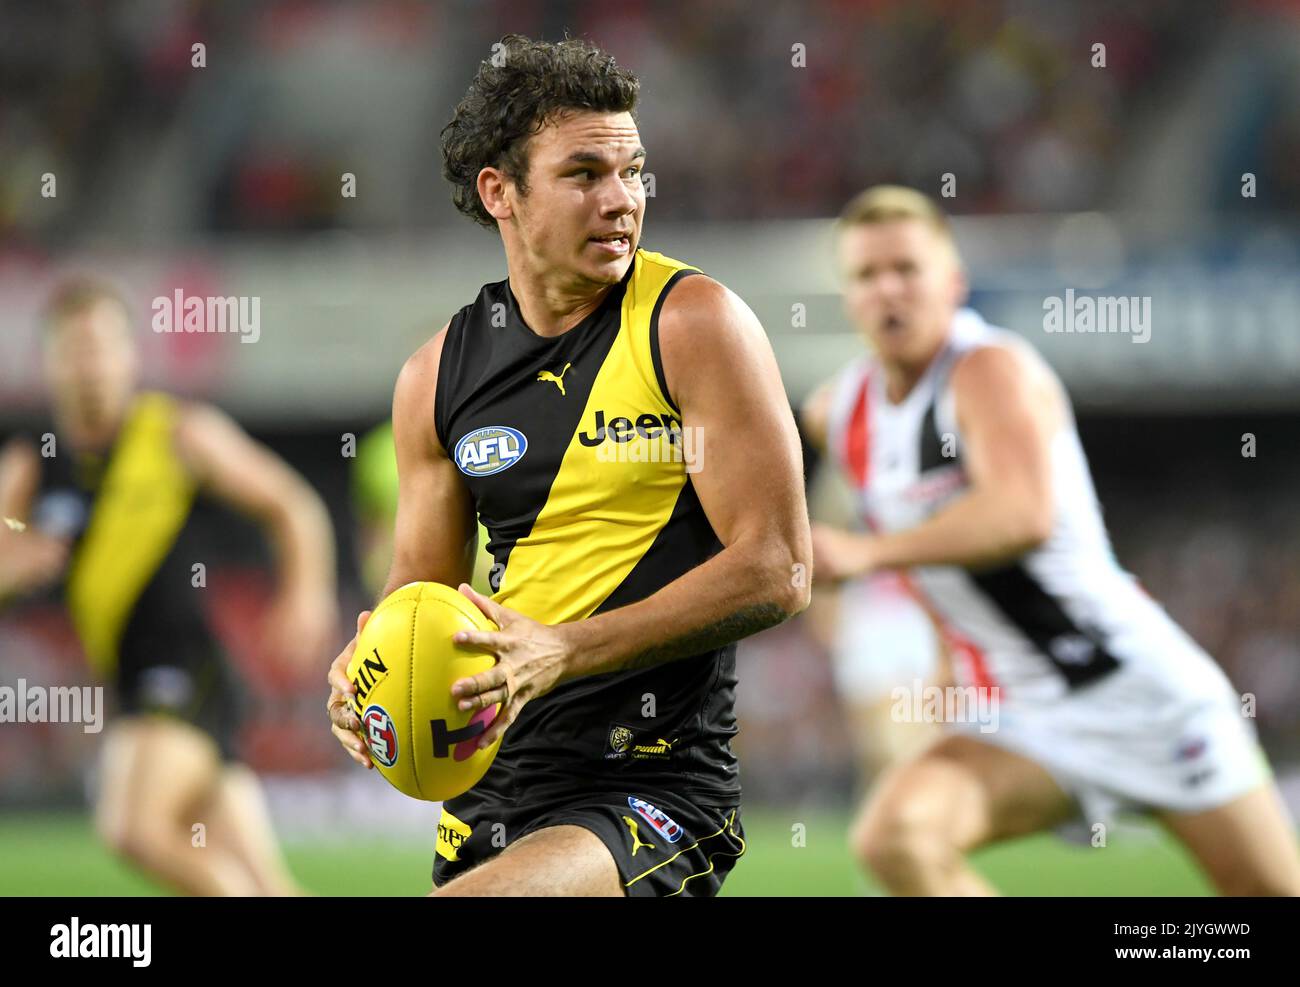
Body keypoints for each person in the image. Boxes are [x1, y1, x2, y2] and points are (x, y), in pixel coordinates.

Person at [326, 35, 811, 897]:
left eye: (633, 171)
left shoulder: (693, 324)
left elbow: (778, 566)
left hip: (650, 784)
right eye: (586, 173)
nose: (622, 200)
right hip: (489, 784)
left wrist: (562, 648)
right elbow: (419, 591)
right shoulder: (434, 377)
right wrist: (367, 666)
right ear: (499, 192)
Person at [803, 185, 1300, 896]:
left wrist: (864, 556)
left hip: (1138, 690)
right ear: (847, 295)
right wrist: (950, 659)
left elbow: (1021, 514)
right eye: (865, 274)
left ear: (953, 281)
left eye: (906, 269)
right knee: (896, 837)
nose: (887, 290)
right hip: (1020, 714)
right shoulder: (839, 411)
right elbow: (926, 547)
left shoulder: (989, 370)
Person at [0, 277, 338, 895]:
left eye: (102, 347)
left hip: (187, 674)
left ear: (130, 356)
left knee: (132, 826)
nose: (90, 365)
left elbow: (293, 504)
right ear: (47, 363)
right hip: (135, 683)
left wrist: (306, 592)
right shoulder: (32, 466)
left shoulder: (176, 433)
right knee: (269, 884)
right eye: (74, 349)